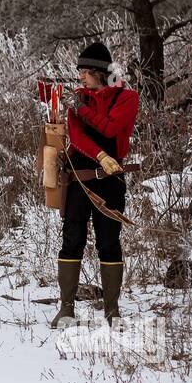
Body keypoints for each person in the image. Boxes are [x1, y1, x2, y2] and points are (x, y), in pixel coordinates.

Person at [50, 42, 139, 328]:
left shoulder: (127, 98)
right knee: (71, 241)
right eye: (79, 72)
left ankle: (112, 312)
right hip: (78, 181)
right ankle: (66, 310)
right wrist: (101, 155)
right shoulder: (79, 99)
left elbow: (111, 128)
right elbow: (77, 138)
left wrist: (82, 110)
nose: (80, 78)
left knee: (109, 243)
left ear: (100, 73)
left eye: (85, 72)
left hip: (111, 183)